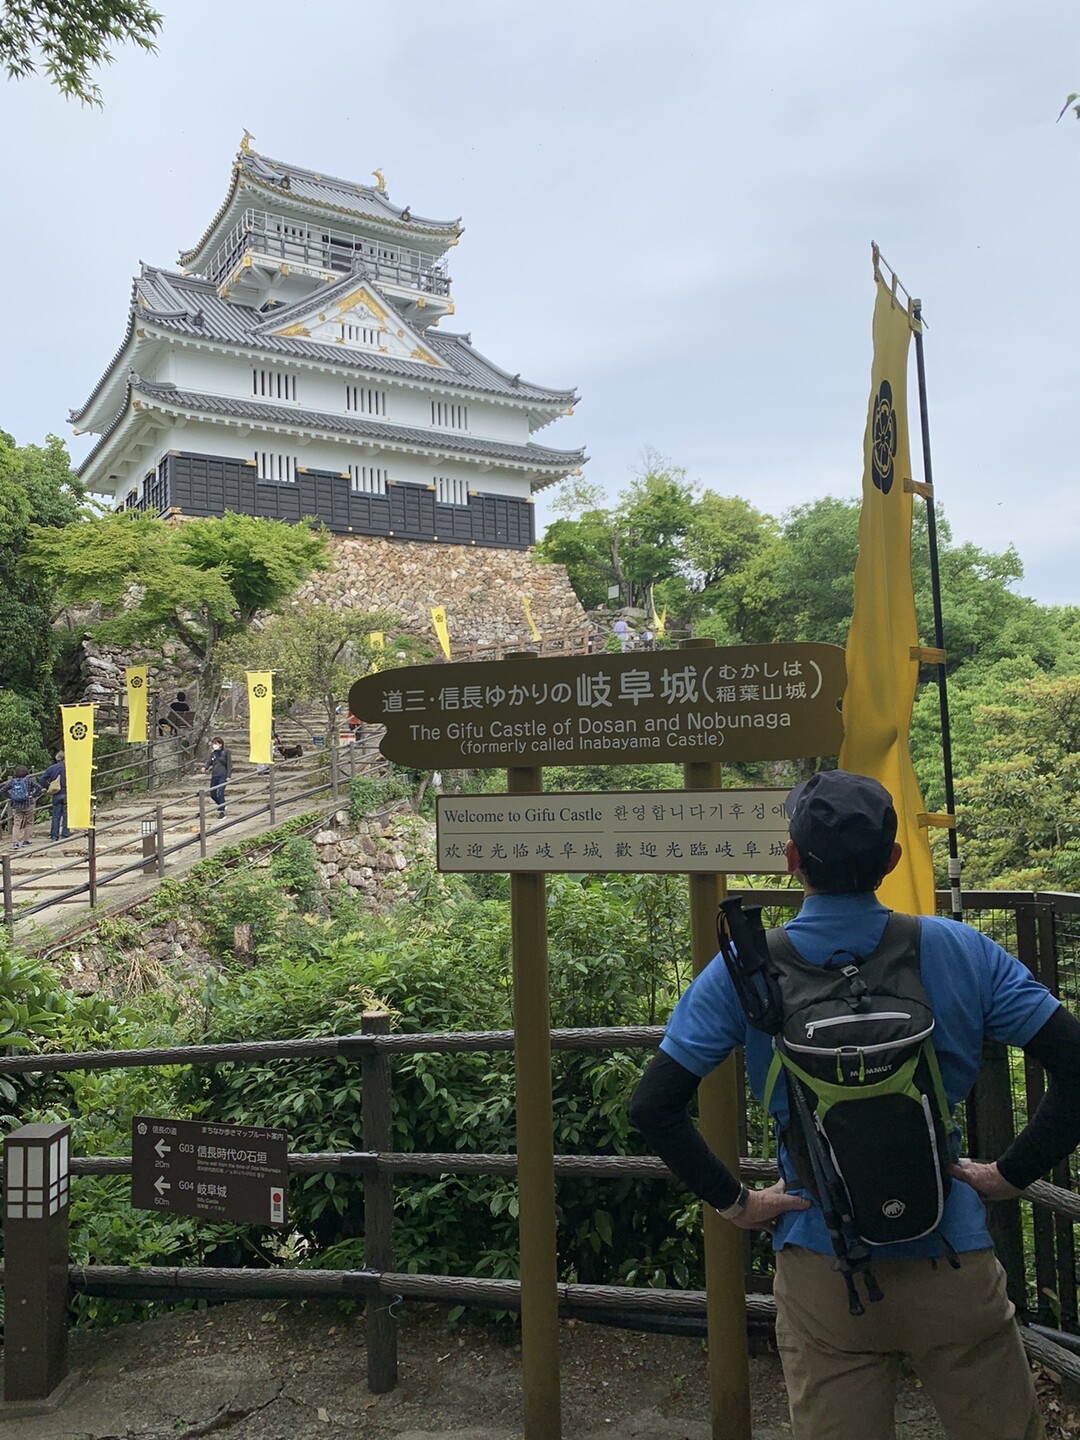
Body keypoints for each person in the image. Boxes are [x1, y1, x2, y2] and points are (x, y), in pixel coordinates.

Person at [630, 769, 1080, 1440]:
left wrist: (739, 1203)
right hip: (951, 1255)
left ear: (791, 860)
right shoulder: (961, 950)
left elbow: (654, 1107)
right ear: (892, 859)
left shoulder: (745, 971)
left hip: (822, 1262)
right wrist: (1011, 1174)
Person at [1, 766, 43, 849]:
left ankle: (15, 843)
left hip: (16, 806)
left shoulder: (12, 782)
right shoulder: (29, 780)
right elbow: (39, 787)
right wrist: (32, 795)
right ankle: (26, 841)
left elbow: (2, 790)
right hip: (28, 804)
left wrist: (11, 796)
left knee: (16, 824)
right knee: (29, 823)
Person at [37, 752, 70, 841]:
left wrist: (49, 787)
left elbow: (42, 780)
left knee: (56, 816)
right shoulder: (68, 767)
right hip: (67, 793)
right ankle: (65, 834)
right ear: (64, 758)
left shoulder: (51, 768)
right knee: (66, 815)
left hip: (56, 794)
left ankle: (54, 836)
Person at [204, 736, 232, 818]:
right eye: (213, 743)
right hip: (214, 775)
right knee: (212, 794)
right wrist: (205, 767)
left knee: (220, 793)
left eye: (215, 743)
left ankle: (222, 812)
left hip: (223, 775)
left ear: (220, 744)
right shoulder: (213, 754)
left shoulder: (226, 752)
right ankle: (222, 805)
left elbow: (229, 764)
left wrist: (228, 776)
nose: (214, 745)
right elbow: (209, 762)